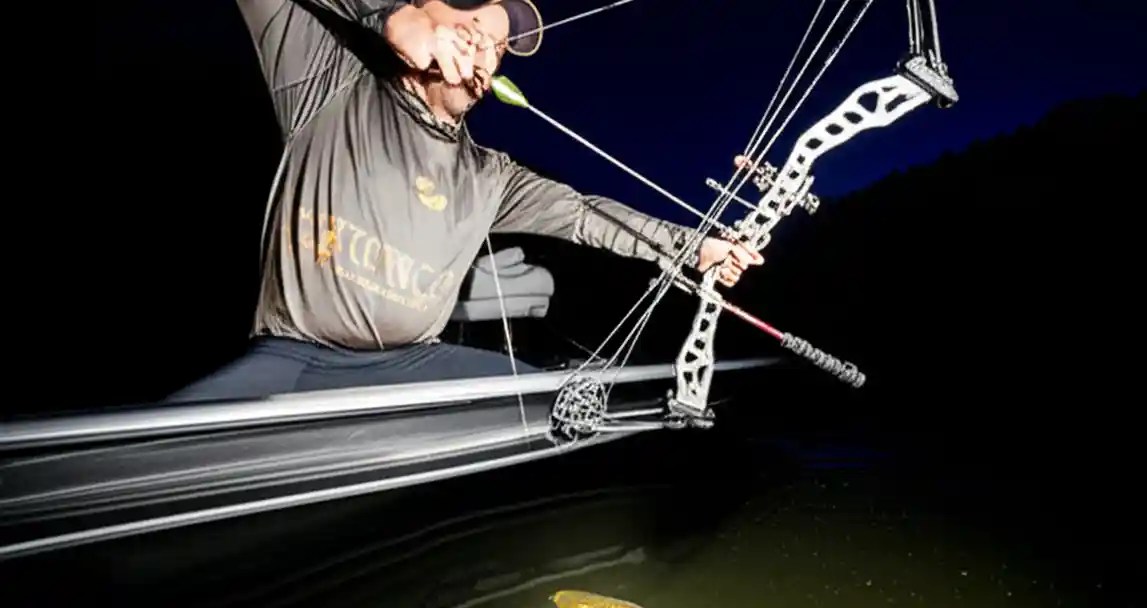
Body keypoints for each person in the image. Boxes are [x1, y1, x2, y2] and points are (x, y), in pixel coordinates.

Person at [170, 0, 763, 402]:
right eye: (472, 30)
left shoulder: (488, 175)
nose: (484, 57)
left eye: (497, 49)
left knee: (556, 401)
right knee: (158, 445)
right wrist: (392, 15)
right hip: (294, 356)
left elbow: (586, 215)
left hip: (414, 364)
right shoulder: (326, 80)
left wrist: (695, 247)